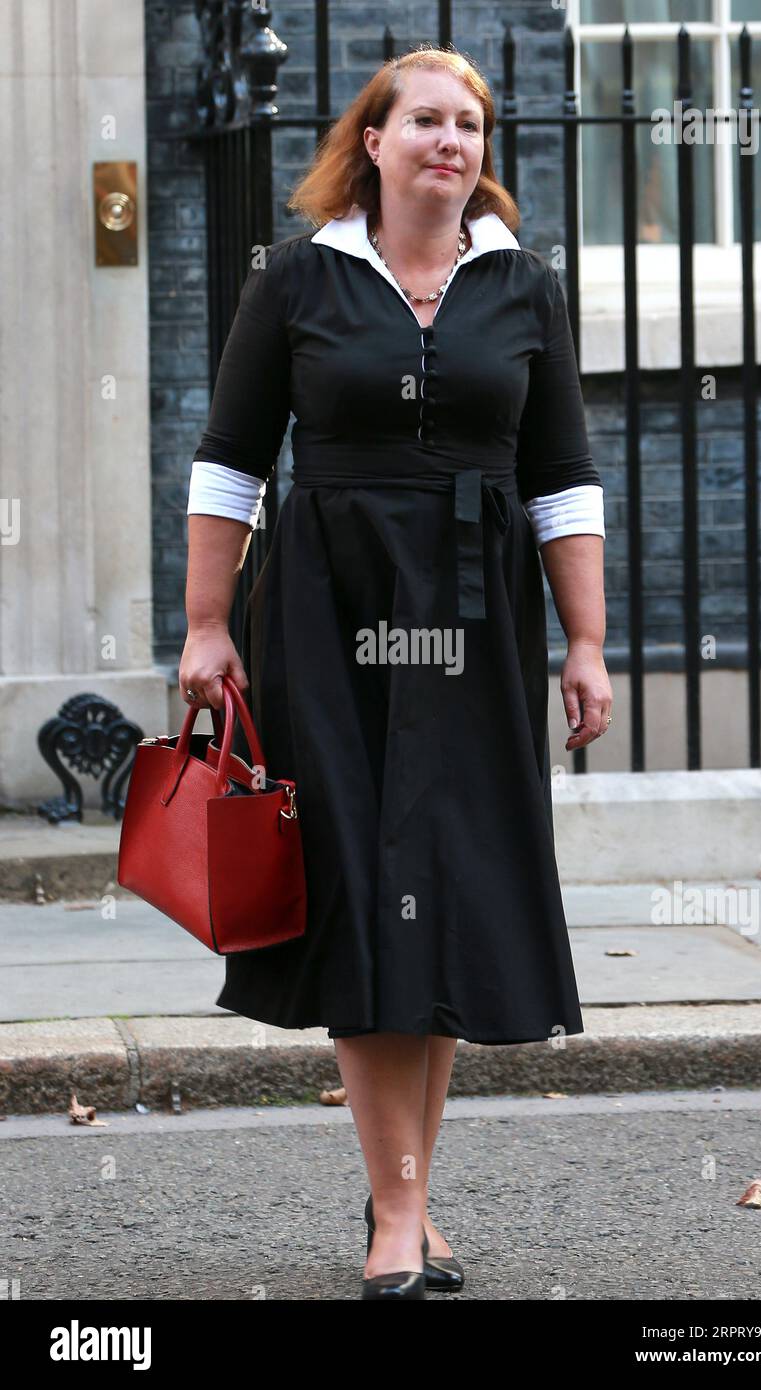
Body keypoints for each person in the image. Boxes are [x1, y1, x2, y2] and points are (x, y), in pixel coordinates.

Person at [181, 46, 613, 1300]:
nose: (449, 140)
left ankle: (404, 1196)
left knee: (447, 895)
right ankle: (399, 1217)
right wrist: (209, 626)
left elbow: (562, 477)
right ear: (370, 139)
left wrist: (585, 640)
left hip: (477, 625)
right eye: (423, 118)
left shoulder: (524, 288)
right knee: (367, 901)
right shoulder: (299, 279)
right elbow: (230, 460)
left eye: (468, 123)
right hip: (326, 613)